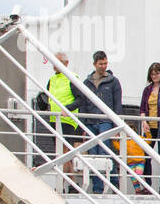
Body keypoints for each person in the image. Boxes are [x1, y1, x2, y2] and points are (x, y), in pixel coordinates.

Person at [82, 50, 123, 193]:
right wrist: (83, 124)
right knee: (94, 155)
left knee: (104, 153)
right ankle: (99, 188)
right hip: (90, 122)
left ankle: (112, 183)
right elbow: (83, 104)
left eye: (105, 63)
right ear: (94, 64)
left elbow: (117, 105)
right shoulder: (86, 82)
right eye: (101, 64)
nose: (103, 66)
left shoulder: (113, 81)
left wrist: (116, 126)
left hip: (106, 121)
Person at [44, 52, 84, 182]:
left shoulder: (72, 78)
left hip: (67, 121)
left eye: (58, 62)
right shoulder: (52, 79)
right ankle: (70, 184)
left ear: (66, 63)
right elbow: (46, 96)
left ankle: (65, 183)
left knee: (64, 153)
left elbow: (80, 99)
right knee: (62, 154)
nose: (54, 65)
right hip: (54, 120)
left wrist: (67, 109)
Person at [138, 62, 160, 193]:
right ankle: (147, 185)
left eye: (157, 73)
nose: (154, 76)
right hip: (149, 127)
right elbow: (143, 107)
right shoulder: (147, 90)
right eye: (152, 74)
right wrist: (144, 121)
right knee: (146, 155)